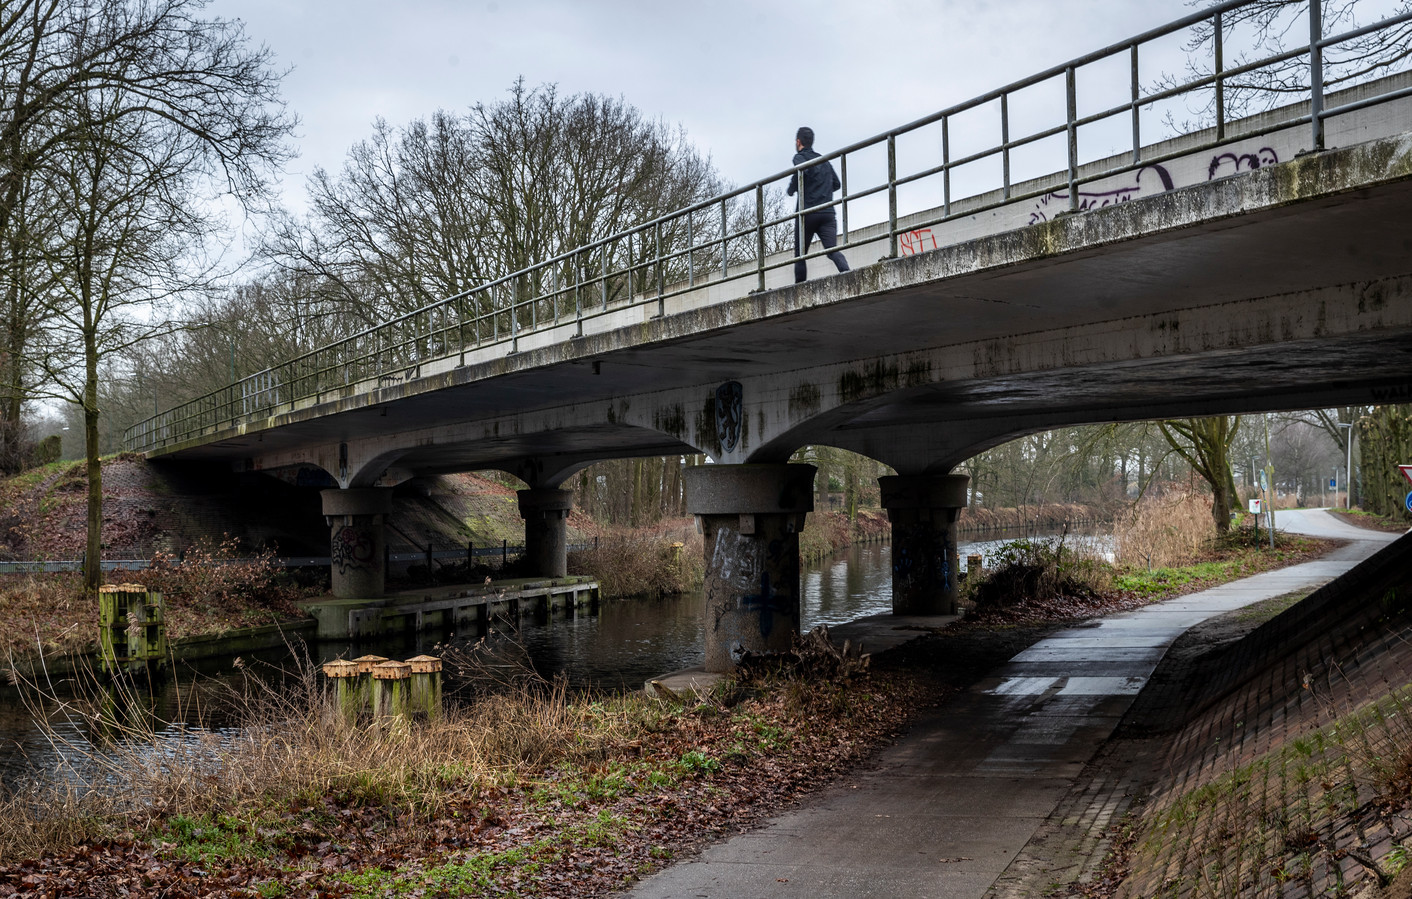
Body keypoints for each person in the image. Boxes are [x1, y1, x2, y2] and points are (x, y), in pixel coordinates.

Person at [787, 126, 850, 283]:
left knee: (800, 255)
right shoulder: (824, 160)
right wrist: (823, 190)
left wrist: (791, 189)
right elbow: (836, 184)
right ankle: (848, 275)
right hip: (827, 213)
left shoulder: (799, 157)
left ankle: (799, 289)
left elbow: (801, 172)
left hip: (807, 214)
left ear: (798, 142)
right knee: (832, 250)